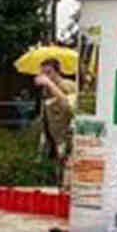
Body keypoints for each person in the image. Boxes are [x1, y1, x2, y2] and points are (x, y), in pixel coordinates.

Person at [36, 58, 77, 188]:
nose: (45, 76)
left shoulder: (68, 85)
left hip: (68, 136)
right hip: (53, 137)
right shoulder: (45, 91)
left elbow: (69, 107)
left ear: (57, 72)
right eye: (43, 73)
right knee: (57, 175)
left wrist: (50, 84)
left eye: (49, 72)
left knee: (68, 175)